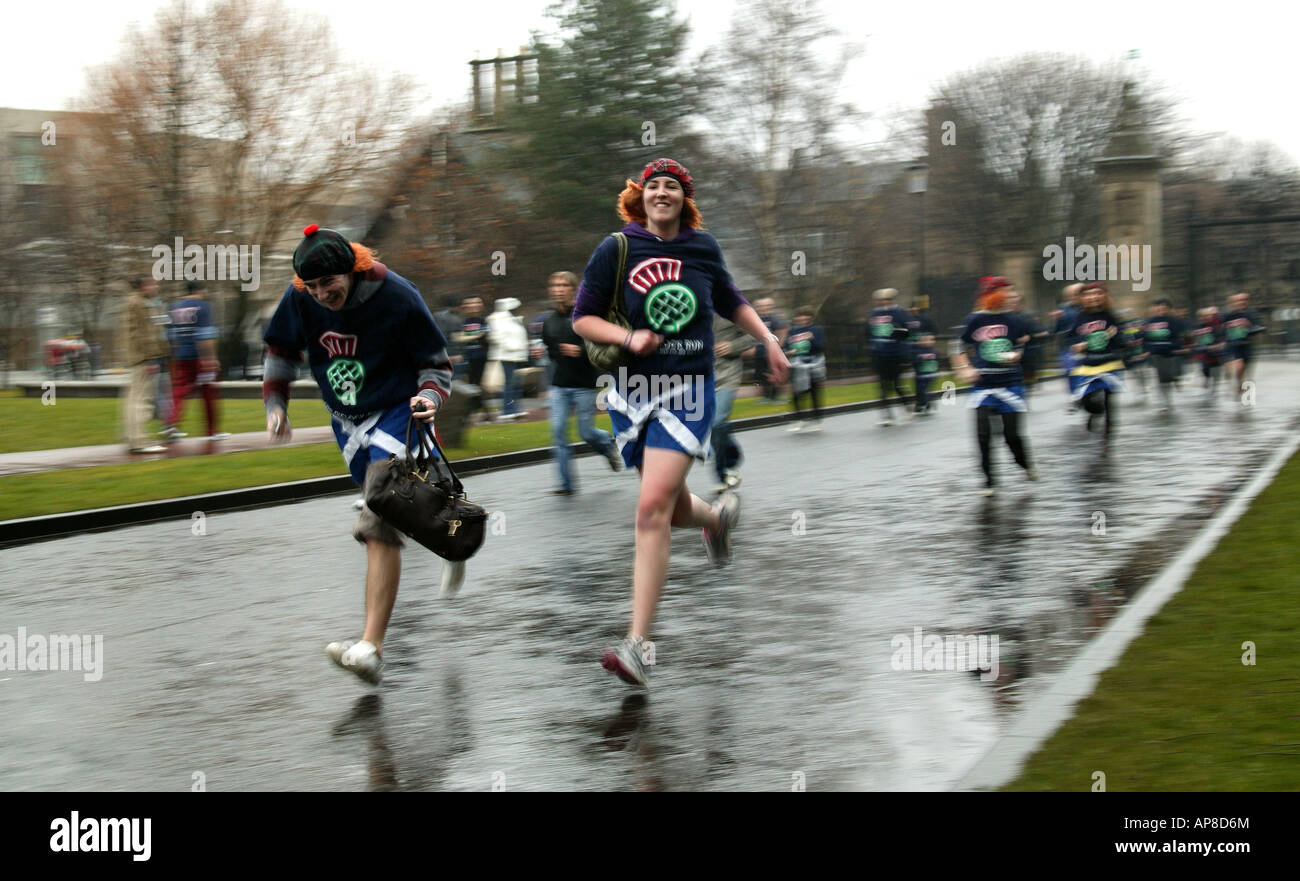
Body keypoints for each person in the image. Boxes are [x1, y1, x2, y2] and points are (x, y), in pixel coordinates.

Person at [571, 158, 789, 688]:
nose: (662, 192)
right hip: (633, 391)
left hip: (690, 389)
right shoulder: (616, 248)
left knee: (651, 507)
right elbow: (584, 317)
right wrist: (627, 339)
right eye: (654, 186)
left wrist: (769, 340)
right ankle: (715, 520)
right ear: (640, 198)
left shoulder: (702, 247)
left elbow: (731, 300)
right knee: (665, 503)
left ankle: (639, 645)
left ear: (683, 199)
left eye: (672, 186)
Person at [261, 224, 458, 685]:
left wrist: (430, 398)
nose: (321, 294)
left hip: (397, 407)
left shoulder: (397, 294)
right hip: (348, 418)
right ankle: (451, 528)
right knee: (396, 506)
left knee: (378, 516)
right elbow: (280, 353)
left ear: (352, 269)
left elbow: (436, 363)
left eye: (328, 283)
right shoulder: (300, 299)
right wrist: (276, 406)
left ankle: (370, 646)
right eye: (311, 287)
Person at [952, 276, 1037, 496]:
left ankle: (1025, 464)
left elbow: (1021, 347)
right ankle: (989, 481)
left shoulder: (1015, 320)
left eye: (1011, 292)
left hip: (1010, 385)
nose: (1011, 296)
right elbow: (958, 346)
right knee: (983, 435)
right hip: (983, 386)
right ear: (993, 294)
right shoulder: (974, 320)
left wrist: (1016, 355)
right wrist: (965, 368)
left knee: (1012, 435)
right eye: (1006, 292)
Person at [541, 270, 623, 494]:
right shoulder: (548, 322)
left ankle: (607, 445)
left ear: (573, 289)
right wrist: (557, 355)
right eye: (555, 285)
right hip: (560, 385)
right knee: (558, 432)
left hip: (584, 384)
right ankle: (566, 485)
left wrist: (582, 352)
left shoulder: (585, 316)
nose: (558, 289)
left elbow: (605, 348)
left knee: (586, 432)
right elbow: (551, 353)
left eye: (564, 285)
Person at [164, 281, 226, 441]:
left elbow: (171, 336)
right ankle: (212, 431)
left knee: (179, 391)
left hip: (182, 356)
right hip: (201, 359)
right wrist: (211, 358)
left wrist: (175, 355)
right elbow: (206, 335)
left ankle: (171, 424)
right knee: (209, 394)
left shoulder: (174, 307)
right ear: (200, 290)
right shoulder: (204, 307)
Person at [1067, 282, 1126, 437]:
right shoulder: (1080, 316)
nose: (1093, 297)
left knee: (1109, 400)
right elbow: (1072, 337)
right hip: (1088, 364)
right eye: (1089, 294)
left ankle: (1109, 433)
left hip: (1109, 362)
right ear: (1083, 298)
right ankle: (1095, 413)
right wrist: (1077, 345)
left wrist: (1115, 336)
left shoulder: (1110, 316)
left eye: (1097, 293)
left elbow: (1122, 341)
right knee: (1088, 401)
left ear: (1104, 296)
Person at [120, 277, 169, 454]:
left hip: (136, 358)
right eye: (153, 284)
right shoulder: (140, 304)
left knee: (133, 399)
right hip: (143, 359)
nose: (156, 287)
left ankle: (133, 437)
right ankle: (140, 441)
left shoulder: (132, 302)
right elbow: (146, 334)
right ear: (143, 286)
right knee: (142, 400)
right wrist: (151, 358)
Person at [711, 313, 755, 490]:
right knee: (715, 426)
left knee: (717, 422)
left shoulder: (731, 309)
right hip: (702, 377)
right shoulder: (691, 310)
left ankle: (725, 472)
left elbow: (751, 336)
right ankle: (734, 456)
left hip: (728, 374)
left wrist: (732, 346)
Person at [868, 288, 913, 425]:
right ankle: (886, 416)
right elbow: (869, 331)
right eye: (881, 300)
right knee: (882, 386)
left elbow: (908, 331)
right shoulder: (874, 313)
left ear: (892, 300)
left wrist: (898, 331)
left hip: (896, 353)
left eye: (887, 299)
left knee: (897, 384)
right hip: (880, 354)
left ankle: (906, 407)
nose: (884, 302)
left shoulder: (899, 312)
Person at [1141, 298, 1188, 411]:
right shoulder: (1150, 321)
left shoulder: (1173, 321)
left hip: (1171, 352)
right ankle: (1166, 401)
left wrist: (1181, 347)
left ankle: (1168, 394)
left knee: (1170, 376)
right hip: (1156, 352)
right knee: (1161, 376)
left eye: (1164, 307)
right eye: (1159, 306)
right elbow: (1145, 337)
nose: (1161, 309)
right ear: (1155, 308)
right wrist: (1146, 350)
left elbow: (1180, 336)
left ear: (1168, 308)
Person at [785, 305, 827, 431]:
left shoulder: (816, 329)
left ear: (811, 317)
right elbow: (788, 345)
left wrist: (812, 339)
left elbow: (821, 346)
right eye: (800, 316)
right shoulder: (792, 331)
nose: (803, 318)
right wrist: (789, 351)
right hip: (798, 366)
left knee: (814, 393)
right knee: (797, 394)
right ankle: (799, 420)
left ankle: (817, 421)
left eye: (806, 315)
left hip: (814, 364)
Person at [487, 296, 528, 420]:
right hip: (506, 355)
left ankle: (516, 408)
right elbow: (497, 337)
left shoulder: (512, 319)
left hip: (516, 355)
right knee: (509, 384)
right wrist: (512, 347)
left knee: (516, 383)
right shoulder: (498, 319)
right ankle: (508, 410)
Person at [1221, 291, 1266, 397]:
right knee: (1239, 366)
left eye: (1245, 300)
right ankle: (1239, 384)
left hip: (1248, 345)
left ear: (1248, 301)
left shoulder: (1252, 313)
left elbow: (1260, 327)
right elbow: (1221, 329)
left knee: (1247, 370)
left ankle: (1248, 396)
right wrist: (1222, 340)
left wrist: (1249, 326)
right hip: (1235, 346)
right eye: (1239, 300)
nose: (1242, 302)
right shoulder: (1228, 315)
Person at [753, 297, 789, 401]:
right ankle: (766, 397)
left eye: (766, 305)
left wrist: (777, 350)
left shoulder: (776, 319)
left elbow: (782, 335)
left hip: (773, 353)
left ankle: (777, 397)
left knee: (776, 374)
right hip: (760, 353)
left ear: (771, 307)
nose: (763, 308)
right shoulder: (755, 319)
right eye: (760, 306)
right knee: (763, 375)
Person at [1190, 306, 1226, 396]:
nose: (1206, 318)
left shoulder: (1215, 326)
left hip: (1215, 351)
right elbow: (1193, 339)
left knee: (1216, 370)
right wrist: (1193, 343)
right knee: (1205, 369)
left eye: (1208, 316)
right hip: (1203, 353)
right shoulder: (1197, 327)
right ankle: (1206, 379)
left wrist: (1220, 344)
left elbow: (1221, 336)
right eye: (1204, 316)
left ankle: (1214, 388)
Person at [454, 296, 490, 388]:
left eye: (477, 303)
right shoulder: (464, 321)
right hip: (468, 355)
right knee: (471, 380)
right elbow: (458, 338)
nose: (473, 306)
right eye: (469, 304)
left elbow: (484, 334)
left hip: (481, 355)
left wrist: (466, 336)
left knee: (479, 380)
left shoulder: (483, 320)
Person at [911, 331, 940, 415]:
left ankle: (927, 403)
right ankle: (920, 405)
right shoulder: (917, 351)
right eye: (927, 340)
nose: (930, 342)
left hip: (930, 374)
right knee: (919, 390)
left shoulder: (934, 351)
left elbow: (937, 361)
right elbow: (914, 362)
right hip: (920, 375)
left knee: (924, 390)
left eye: (932, 340)